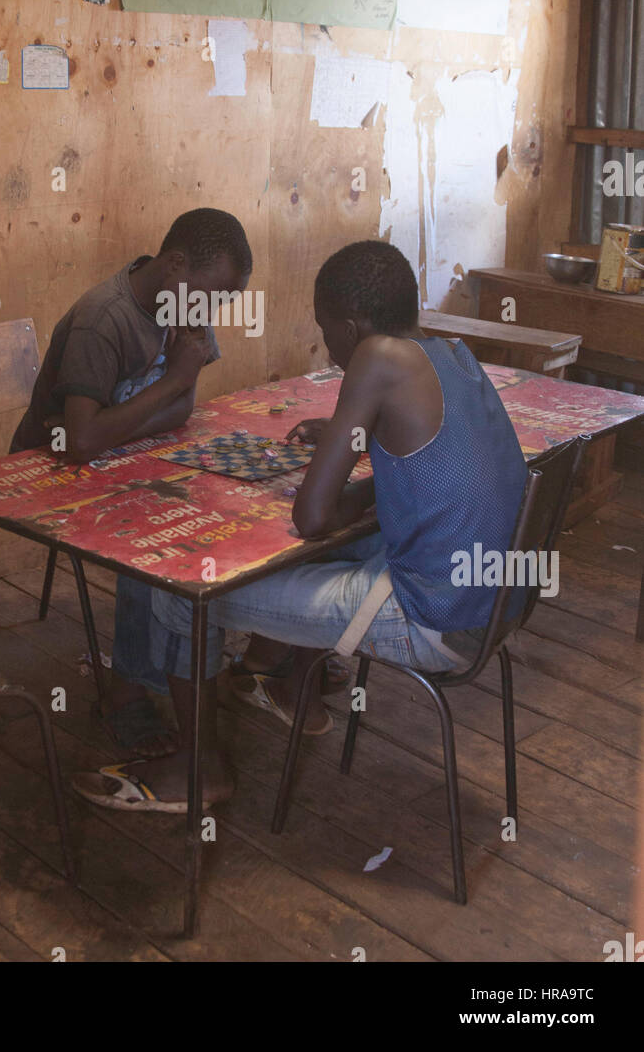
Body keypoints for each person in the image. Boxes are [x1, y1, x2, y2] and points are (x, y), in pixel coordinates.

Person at [72, 239, 528, 812]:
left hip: (432, 618)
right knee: (332, 550)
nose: (331, 348)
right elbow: (417, 485)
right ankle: (296, 694)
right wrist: (351, 483)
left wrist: (337, 466)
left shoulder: (377, 357)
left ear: (350, 324)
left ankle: (199, 771)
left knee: (185, 595)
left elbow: (311, 516)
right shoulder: (454, 353)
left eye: (326, 330)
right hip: (497, 607)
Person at [10, 207, 252, 757]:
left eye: (226, 300)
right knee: (150, 540)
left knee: (211, 510)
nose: (214, 310)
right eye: (213, 294)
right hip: (41, 471)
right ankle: (124, 692)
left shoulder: (187, 304)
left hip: (119, 455)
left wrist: (158, 399)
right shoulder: (105, 318)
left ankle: (180, 666)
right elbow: (76, 442)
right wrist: (172, 382)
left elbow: (181, 411)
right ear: (176, 264)